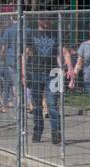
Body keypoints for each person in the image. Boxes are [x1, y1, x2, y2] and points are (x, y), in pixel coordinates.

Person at [23, 16, 63, 145]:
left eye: (48, 19)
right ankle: (37, 132)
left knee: (52, 104)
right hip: (35, 73)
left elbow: (59, 53)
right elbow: (26, 53)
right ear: (39, 20)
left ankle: (56, 133)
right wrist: (23, 73)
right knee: (37, 105)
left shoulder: (56, 34)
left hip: (52, 73)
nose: (47, 21)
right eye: (44, 19)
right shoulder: (31, 34)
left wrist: (63, 69)